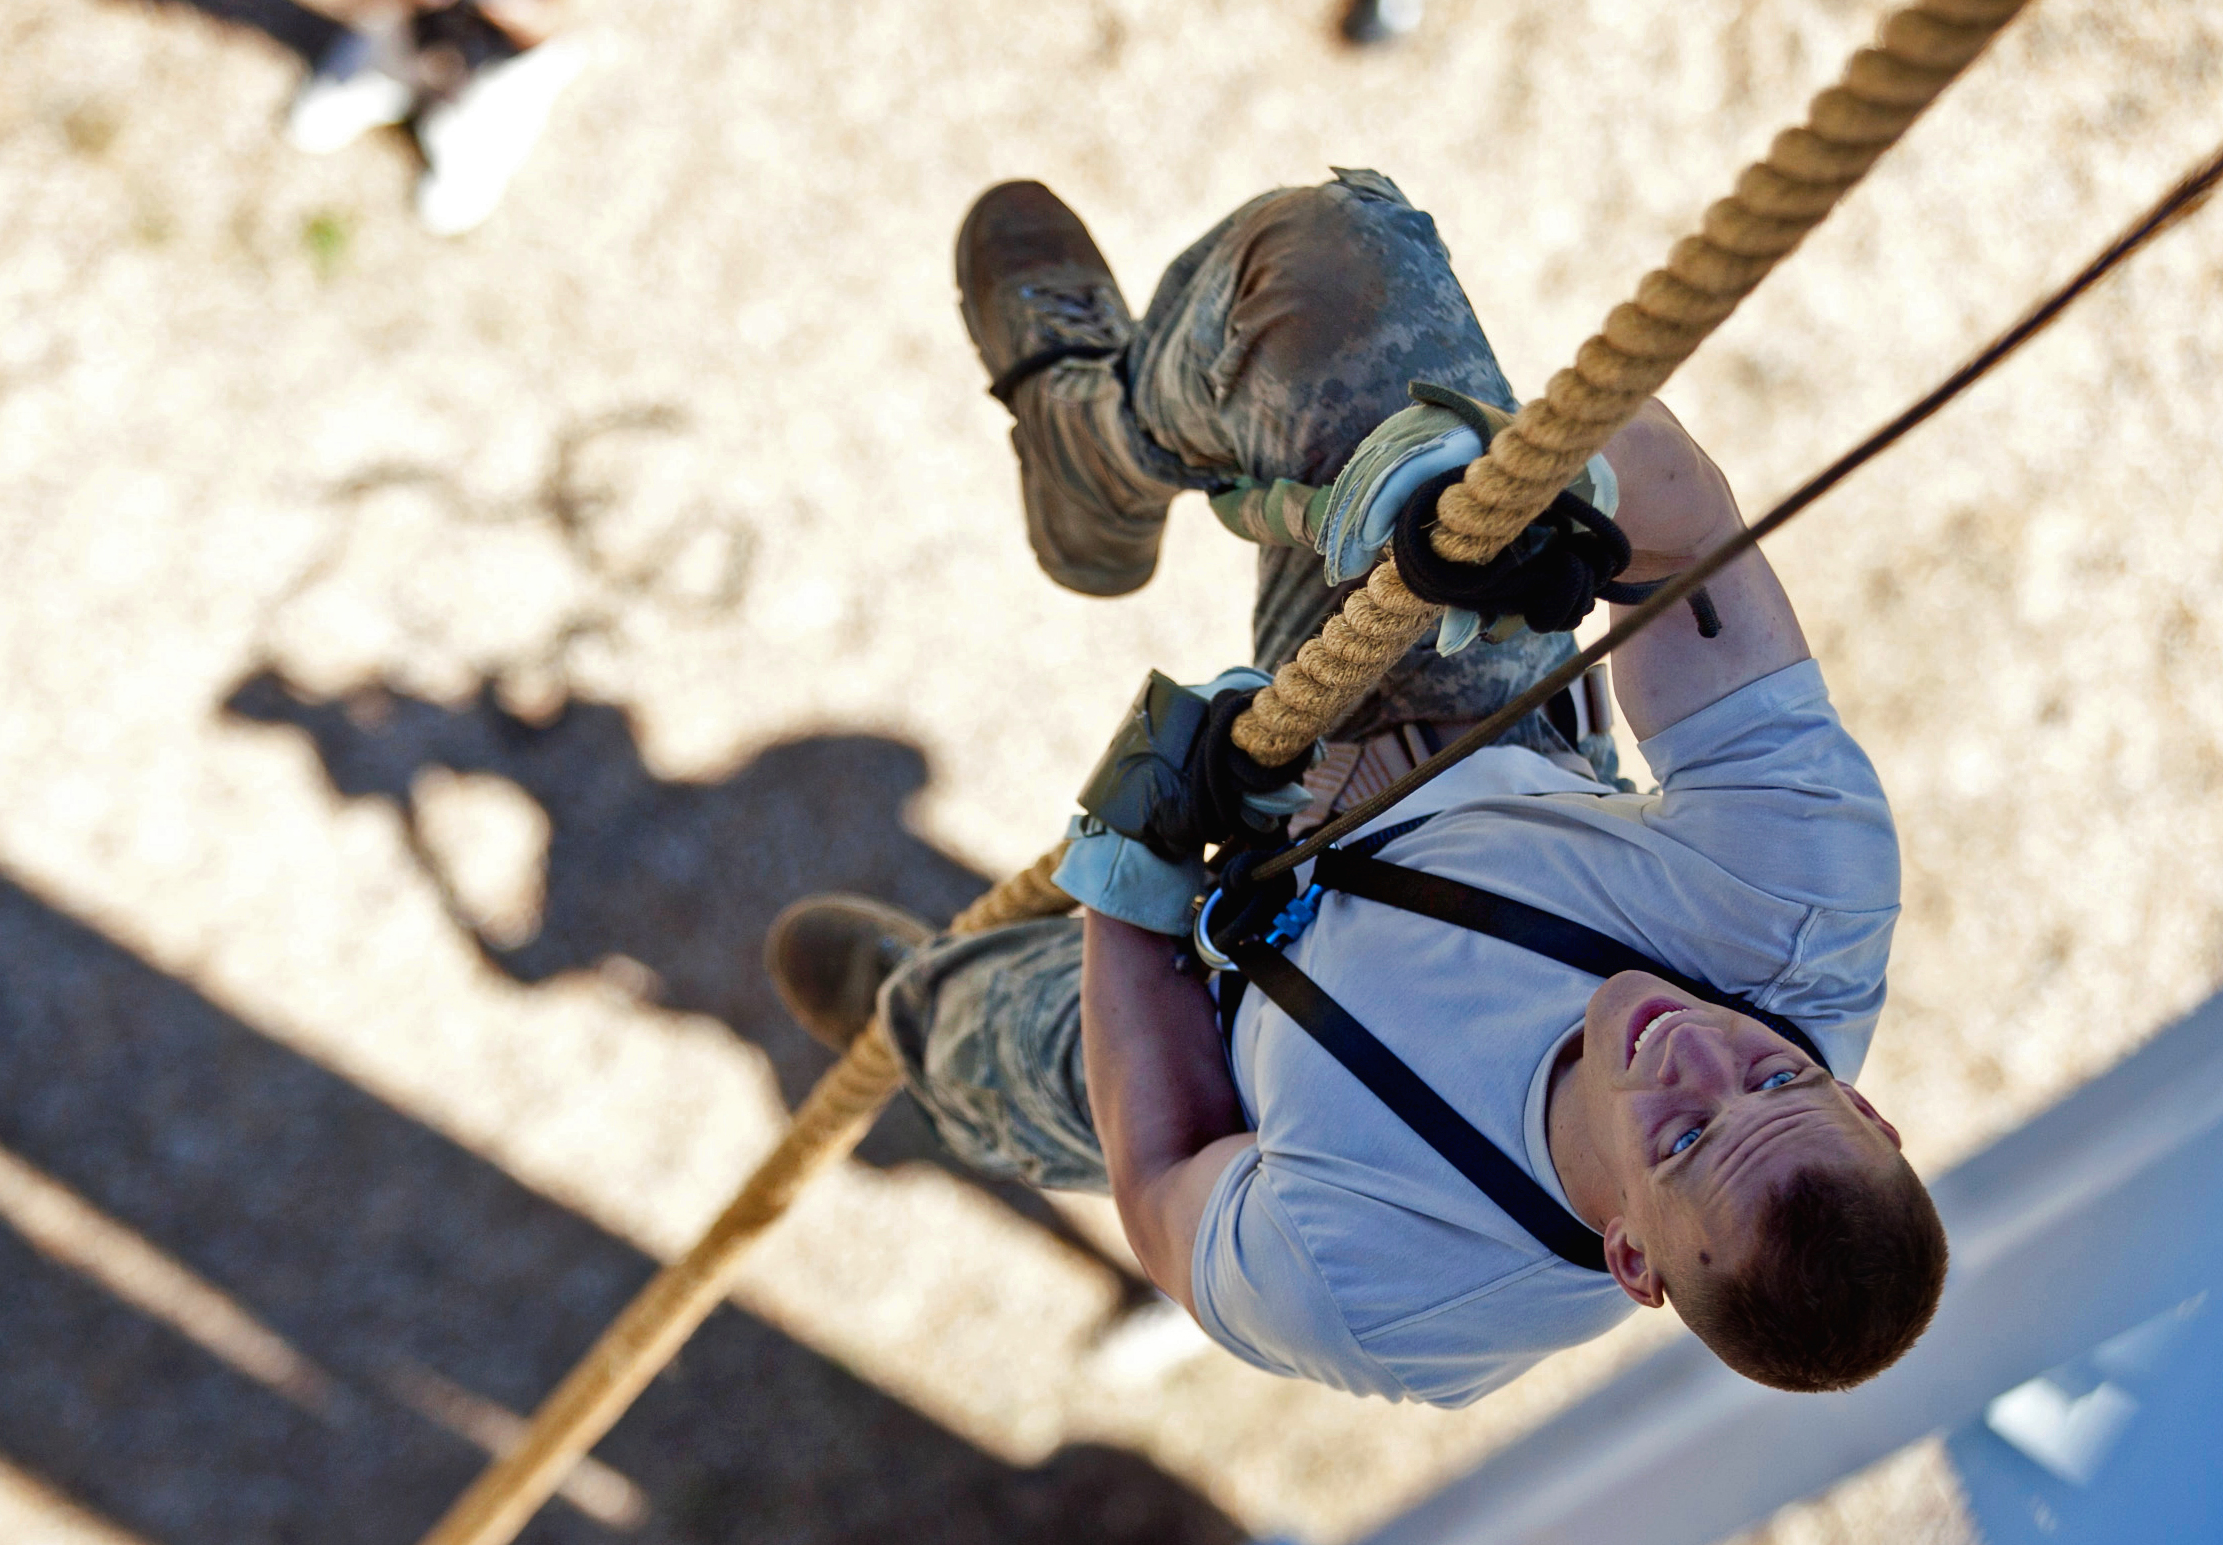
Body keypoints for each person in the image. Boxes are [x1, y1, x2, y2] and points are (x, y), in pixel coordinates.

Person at [765, 171, 1948, 1405]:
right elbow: (1679, 514)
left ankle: (918, 1019)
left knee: (963, 1042)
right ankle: (1096, 456)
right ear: (1868, 1114)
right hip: (1467, 753)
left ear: (1631, 1258)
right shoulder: (1802, 907)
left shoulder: (1394, 1301)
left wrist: (1135, 876)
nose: (1693, 1052)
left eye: (1683, 1137)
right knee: (1328, 270)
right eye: (1777, 1078)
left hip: (1224, 1037)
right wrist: (1524, 492)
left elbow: (1166, 1186)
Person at [283, 0, 587, 235]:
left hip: (506, 56)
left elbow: (555, 19)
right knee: (312, 126)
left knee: (449, 205)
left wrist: (515, 11)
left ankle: (480, 119)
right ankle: (398, 66)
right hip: (415, 29)